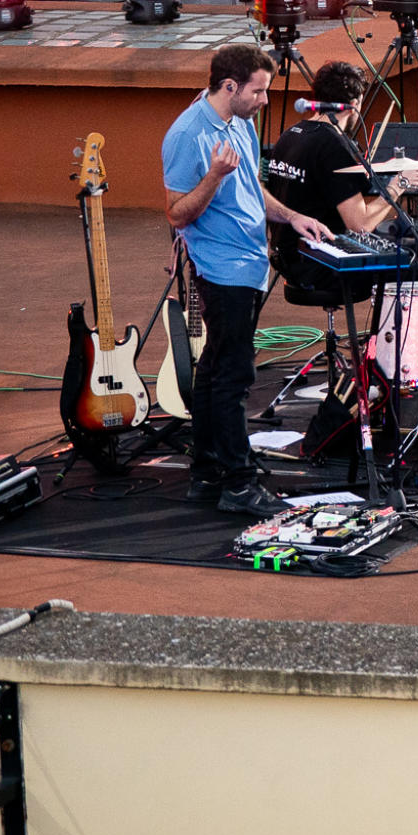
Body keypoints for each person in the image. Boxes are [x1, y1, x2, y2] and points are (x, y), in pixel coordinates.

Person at [162, 44, 333, 516]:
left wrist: (291, 216)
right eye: (257, 92)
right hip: (223, 269)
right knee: (234, 377)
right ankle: (238, 483)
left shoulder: (240, 122)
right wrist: (214, 176)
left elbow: (251, 188)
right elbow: (177, 213)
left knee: (214, 370)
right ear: (229, 86)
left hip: (250, 262)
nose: (264, 100)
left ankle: (207, 472)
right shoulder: (187, 135)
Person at [262, 61, 396, 306]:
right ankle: (388, 333)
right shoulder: (335, 146)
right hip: (323, 264)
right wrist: (398, 186)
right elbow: (360, 225)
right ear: (354, 104)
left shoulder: (290, 135)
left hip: (289, 258)